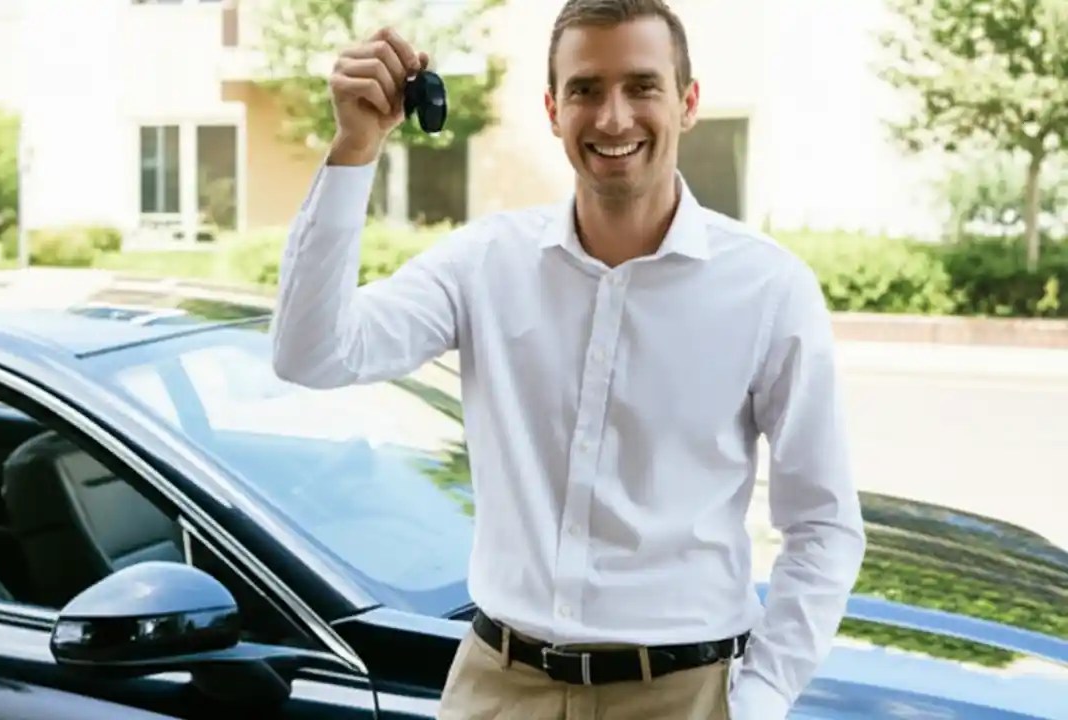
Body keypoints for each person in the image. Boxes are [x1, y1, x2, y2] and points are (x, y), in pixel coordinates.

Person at [269, 0, 866, 717]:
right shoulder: (485, 262)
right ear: (553, 110)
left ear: (689, 102)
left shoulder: (770, 288)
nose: (613, 118)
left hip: (682, 696)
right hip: (498, 687)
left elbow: (824, 525)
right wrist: (354, 148)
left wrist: (760, 698)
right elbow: (312, 353)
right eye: (586, 89)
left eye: (642, 85)